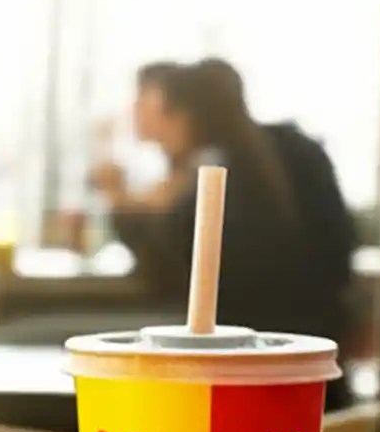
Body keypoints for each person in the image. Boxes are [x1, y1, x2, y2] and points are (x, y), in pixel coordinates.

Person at [96, 60, 355, 408]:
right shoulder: (286, 152)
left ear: (184, 115)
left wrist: (120, 204)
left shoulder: (211, 176)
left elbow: (168, 273)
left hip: (241, 364)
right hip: (315, 359)